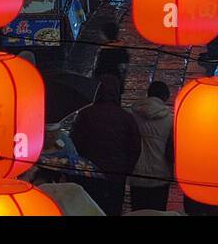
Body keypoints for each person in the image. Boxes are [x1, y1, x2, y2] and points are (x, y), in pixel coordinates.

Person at [69, 76, 142, 216]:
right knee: (112, 209)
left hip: (90, 172)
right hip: (116, 174)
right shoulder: (126, 117)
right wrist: (126, 169)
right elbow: (135, 147)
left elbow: (75, 142)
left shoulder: (85, 114)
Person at [129, 81, 175, 211]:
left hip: (137, 173)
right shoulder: (170, 120)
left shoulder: (133, 115)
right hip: (160, 175)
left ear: (148, 94)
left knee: (138, 211)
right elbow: (171, 151)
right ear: (165, 97)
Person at [93, 20, 130, 85]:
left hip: (103, 80)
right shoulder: (122, 47)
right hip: (116, 78)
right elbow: (124, 66)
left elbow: (97, 67)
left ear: (104, 34)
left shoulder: (103, 50)